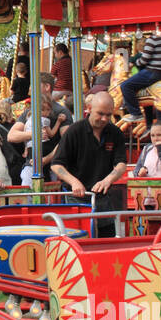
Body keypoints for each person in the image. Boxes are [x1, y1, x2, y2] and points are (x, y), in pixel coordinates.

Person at [50, 92, 126, 237]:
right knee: (79, 237)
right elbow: (56, 165)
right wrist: (74, 182)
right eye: (100, 113)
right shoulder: (74, 131)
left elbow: (121, 163)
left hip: (103, 196)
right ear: (89, 108)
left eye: (108, 115)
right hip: (76, 197)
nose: (104, 119)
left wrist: (108, 180)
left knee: (108, 239)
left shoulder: (115, 132)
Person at [120, 32, 161, 123]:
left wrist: (136, 63)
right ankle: (149, 124)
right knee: (145, 93)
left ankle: (136, 113)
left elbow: (145, 59)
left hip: (152, 71)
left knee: (125, 85)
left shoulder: (152, 39)